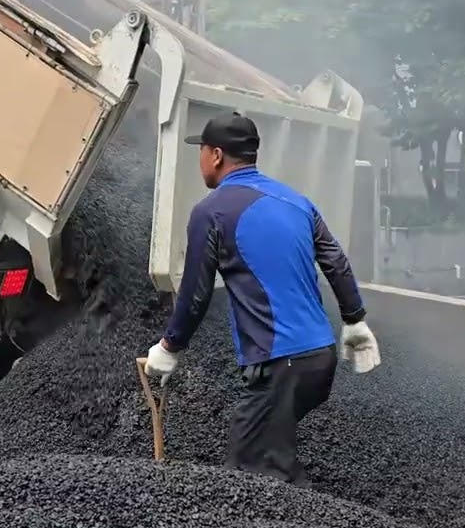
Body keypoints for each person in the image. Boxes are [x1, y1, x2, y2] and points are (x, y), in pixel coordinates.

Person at [142, 111, 381, 485]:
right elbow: (334, 259)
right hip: (320, 358)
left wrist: (169, 346)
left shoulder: (211, 211)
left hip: (281, 363)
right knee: (266, 451)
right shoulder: (297, 201)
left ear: (216, 155)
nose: (200, 159)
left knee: (253, 475)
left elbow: (195, 293)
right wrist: (355, 320)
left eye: (201, 150)